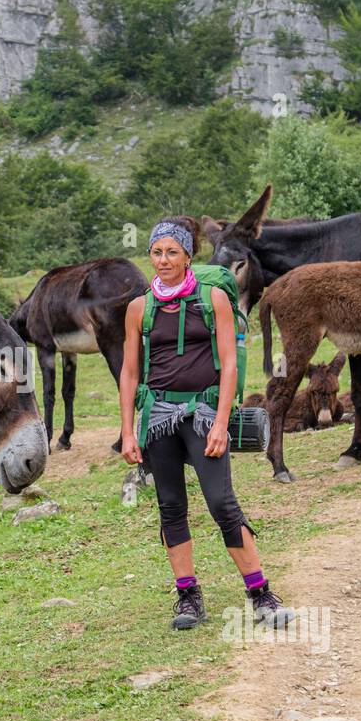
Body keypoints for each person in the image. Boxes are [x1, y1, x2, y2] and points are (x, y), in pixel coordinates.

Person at [118, 216, 294, 631]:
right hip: (158, 417)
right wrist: (128, 430)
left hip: (202, 415)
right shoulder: (138, 309)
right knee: (171, 508)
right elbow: (129, 373)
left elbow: (229, 364)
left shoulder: (213, 299)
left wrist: (220, 422)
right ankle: (188, 598)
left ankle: (261, 594)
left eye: (171, 253)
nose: (163, 260)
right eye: (156, 253)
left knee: (222, 504)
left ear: (188, 256)